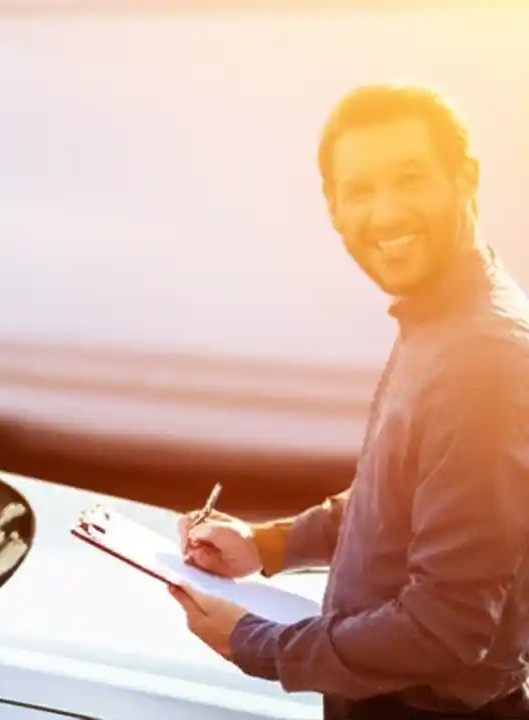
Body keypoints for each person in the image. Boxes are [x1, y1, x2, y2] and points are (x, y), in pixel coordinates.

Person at [168, 82, 529, 719]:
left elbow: (447, 627)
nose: (384, 214)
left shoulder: (483, 358)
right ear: (334, 210)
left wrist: (259, 642)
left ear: (464, 179)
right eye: (358, 191)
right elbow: (395, 498)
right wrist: (268, 545)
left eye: (409, 179)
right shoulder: (441, 320)